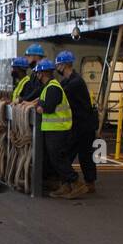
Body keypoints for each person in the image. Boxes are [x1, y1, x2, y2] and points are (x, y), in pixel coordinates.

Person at [34, 58, 82, 198]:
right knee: (56, 158)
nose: (36, 76)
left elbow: (47, 108)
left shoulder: (53, 88)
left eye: (37, 73)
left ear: (42, 74)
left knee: (58, 158)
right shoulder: (49, 87)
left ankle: (75, 182)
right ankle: (66, 186)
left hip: (58, 130)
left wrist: (38, 108)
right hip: (53, 129)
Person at [54, 50, 98, 195]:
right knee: (79, 154)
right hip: (78, 124)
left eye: (58, 64)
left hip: (83, 125)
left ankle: (79, 183)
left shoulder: (75, 83)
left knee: (73, 154)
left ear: (64, 65)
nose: (57, 68)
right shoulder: (68, 81)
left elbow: (57, 96)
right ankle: (73, 183)